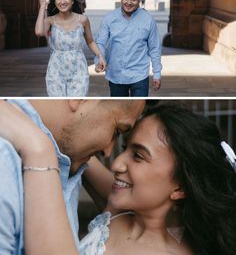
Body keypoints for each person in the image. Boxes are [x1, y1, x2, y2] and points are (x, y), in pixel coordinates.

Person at [0, 100, 236, 255]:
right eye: (124, 144)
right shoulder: (121, 210)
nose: (116, 162)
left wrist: (37, 147)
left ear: (180, 187)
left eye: (139, 156)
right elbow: (80, 148)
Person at [0, 98, 145, 255]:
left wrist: (40, 148)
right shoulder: (5, 161)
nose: (108, 152)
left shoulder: (66, 155)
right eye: (117, 131)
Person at [35, 0, 105, 96]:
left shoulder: (82, 20)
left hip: (78, 70)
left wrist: (100, 56)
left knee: (77, 103)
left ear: (72, 1)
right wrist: (42, 6)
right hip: (55, 71)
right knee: (58, 105)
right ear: (55, 1)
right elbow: (39, 32)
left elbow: (90, 41)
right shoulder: (50, 21)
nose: (62, 1)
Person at [95, 0, 162, 97]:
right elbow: (100, 42)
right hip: (116, 75)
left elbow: (154, 48)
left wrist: (157, 74)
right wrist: (99, 60)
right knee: (118, 110)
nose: (129, 2)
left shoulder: (148, 20)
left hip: (139, 75)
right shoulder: (109, 18)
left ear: (140, 0)